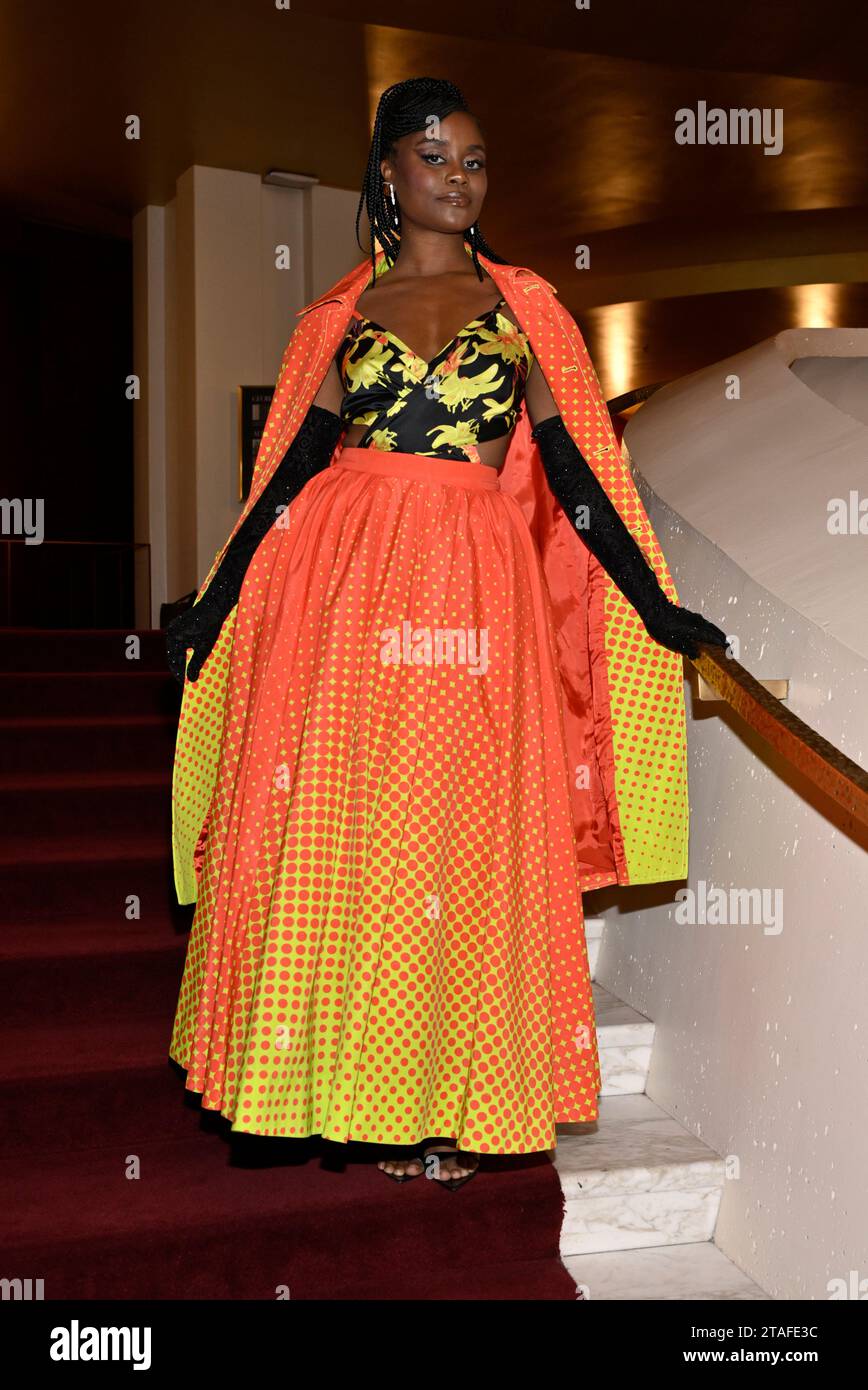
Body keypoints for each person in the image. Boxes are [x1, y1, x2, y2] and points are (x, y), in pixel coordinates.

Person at [165, 77, 727, 1192]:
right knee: (336, 829)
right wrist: (217, 594)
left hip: (473, 589)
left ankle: (450, 1104)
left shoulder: (525, 308)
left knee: (459, 841)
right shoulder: (335, 314)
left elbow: (572, 478)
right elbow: (284, 471)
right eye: (436, 158)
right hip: (341, 577)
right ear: (387, 172)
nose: (460, 178)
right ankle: (322, 1091)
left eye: (475, 161)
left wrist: (655, 605)